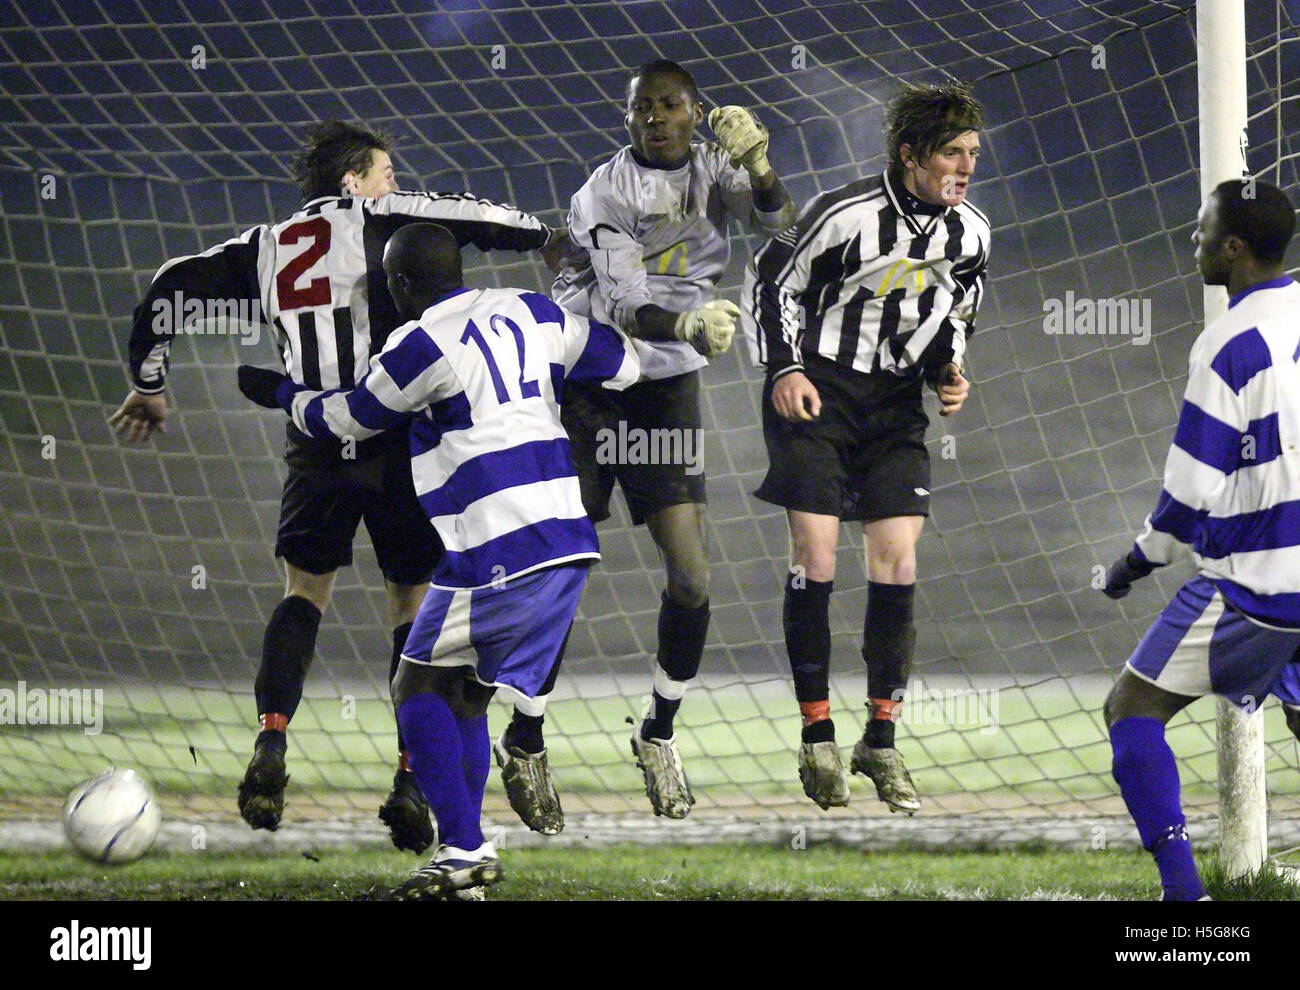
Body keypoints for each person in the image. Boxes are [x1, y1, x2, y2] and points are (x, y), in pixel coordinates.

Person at [108, 121, 565, 851]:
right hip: (396, 437)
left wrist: (150, 382)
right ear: (352, 181)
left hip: (316, 446)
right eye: (385, 172)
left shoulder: (261, 246)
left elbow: (171, 284)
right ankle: (412, 779)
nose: (394, 184)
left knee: (302, 594)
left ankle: (271, 741)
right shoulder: (380, 216)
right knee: (412, 605)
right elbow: (474, 216)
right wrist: (544, 235)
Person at [237, 222, 640, 899]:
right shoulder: (531, 308)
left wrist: (281, 394)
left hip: (497, 545)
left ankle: (463, 851)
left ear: (398, 287)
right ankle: (467, 858)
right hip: (567, 536)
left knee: (417, 690)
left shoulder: (417, 342)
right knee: (465, 697)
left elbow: (350, 418)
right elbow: (622, 362)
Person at [519, 59, 795, 821]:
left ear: (695, 111)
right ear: (627, 116)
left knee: (693, 579)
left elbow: (782, 225)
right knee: (560, 569)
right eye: (643, 107)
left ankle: (658, 733)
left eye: (671, 106)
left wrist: (762, 165)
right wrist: (690, 325)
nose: (656, 118)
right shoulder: (603, 192)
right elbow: (628, 302)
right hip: (591, 378)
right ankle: (527, 736)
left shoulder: (716, 168)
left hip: (665, 384)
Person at [741, 81, 988, 813]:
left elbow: (959, 311)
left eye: (973, 153)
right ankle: (817, 733)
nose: (966, 166)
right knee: (817, 557)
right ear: (911, 156)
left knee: (898, 559)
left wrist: (950, 371)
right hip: (816, 388)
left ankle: (879, 740)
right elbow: (771, 280)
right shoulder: (843, 214)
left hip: (892, 405)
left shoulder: (971, 231)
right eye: (952, 152)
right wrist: (783, 368)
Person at [1101, 178, 1300, 901]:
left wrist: (1132, 563)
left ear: (1235, 248)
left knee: (1131, 707)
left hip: (1262, 583)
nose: (1195, 242)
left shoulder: (1226, 346)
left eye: (1203, 231)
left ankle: (1186, 901)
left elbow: (1190, 496)